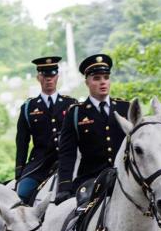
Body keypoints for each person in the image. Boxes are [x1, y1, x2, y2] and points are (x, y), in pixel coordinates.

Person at [54, 54, 131, 203]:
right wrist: (64, 187)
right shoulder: (75, 113)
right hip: (90, 180)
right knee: (74, 221)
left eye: (106, 77)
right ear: (87, 82)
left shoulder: (125, 108)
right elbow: (67, 154)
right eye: (96, 78)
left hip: (124, 179)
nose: (103, 82)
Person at [15, 56, 76, 204]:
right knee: (22, 194)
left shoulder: (71, 104)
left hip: (68, 162)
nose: (49, 79)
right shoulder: (28, 108)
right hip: (40, 165)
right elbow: (22, 142)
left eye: (52, 75)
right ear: (38, 77)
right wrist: (19, 172)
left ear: (57, 77)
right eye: (45, 75)